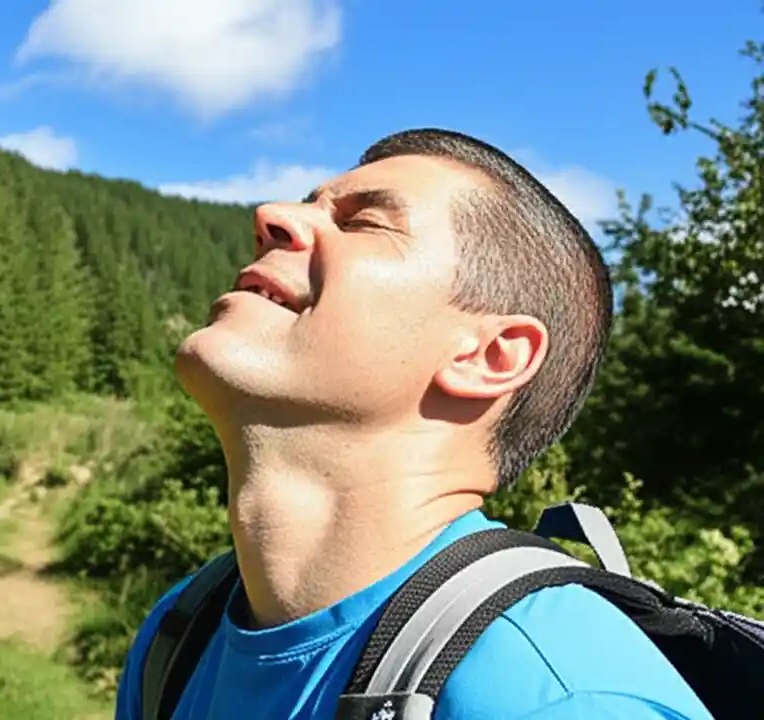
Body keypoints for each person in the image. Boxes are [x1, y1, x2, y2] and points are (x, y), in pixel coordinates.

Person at [113, 128, 714, 719]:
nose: (272, 215)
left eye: (362, 223)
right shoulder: (180, 635)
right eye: (307, 205)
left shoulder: (561, 698)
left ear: (488, 357)